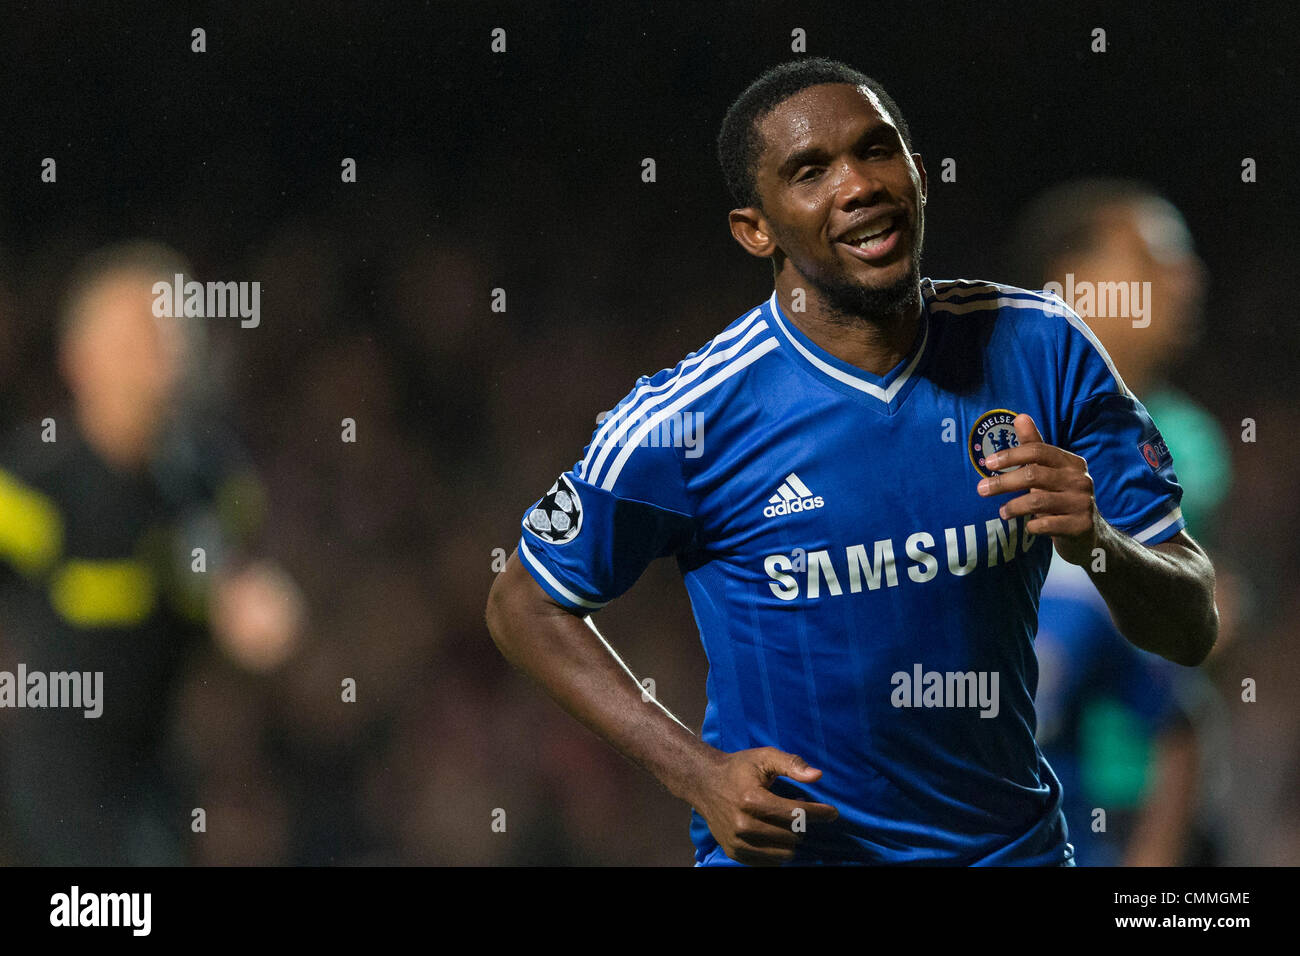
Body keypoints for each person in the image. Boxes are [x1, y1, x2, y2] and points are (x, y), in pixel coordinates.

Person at [485, 57, 1218, 866]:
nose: (858, 183)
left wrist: (1101, 547)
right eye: (810, 171)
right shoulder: (693, 416)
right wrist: (694, 772)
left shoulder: (1043, 347)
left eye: (877, 150)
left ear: (917, 175)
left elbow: (1189, 628)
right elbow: (524, 603)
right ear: (754, 229)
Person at [0, 241, 302, 865]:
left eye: (171, 329)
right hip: (41, 793)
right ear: (77, 359)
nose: (157, 352)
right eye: (135, 334)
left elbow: (236, 592)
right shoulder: (30, 489)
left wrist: (258, 612)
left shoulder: (215, 481)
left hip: (155, 786)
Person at [1010, 180, 1235, 865]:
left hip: (1132, 788)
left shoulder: (1188, 441)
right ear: (1072, 282)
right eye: (1154, 260)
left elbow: (1190, 629)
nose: (1185, 279)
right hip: (1016, 779)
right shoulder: (990, 421)